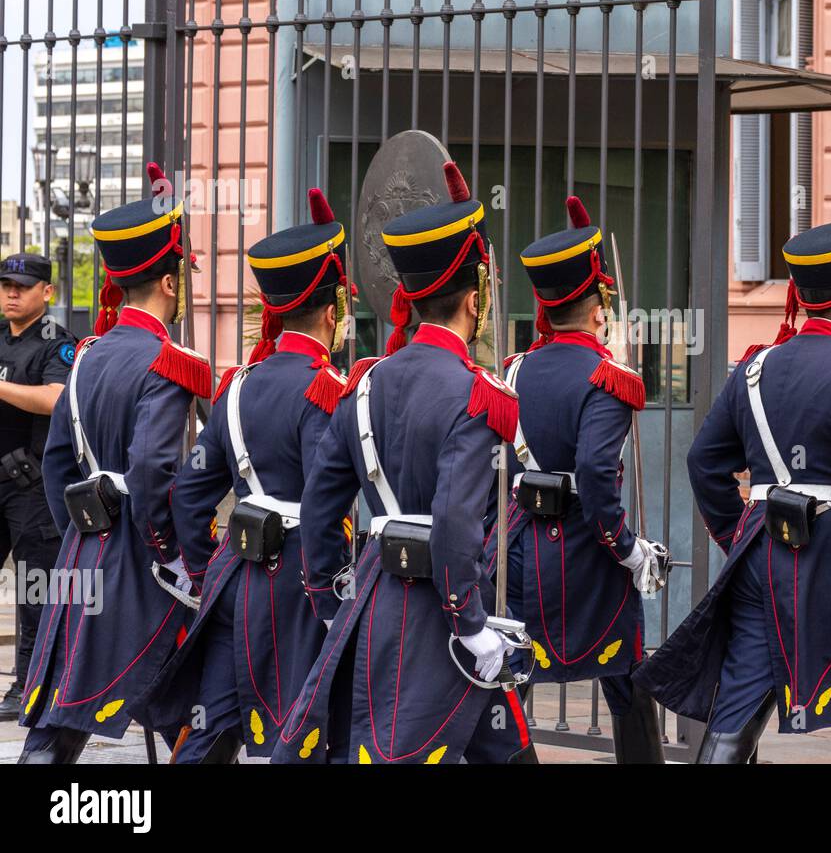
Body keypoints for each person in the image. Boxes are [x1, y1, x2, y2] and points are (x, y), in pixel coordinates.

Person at [633, 188, 831, 764]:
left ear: (803, 296)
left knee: (739, 702)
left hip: (763, 551)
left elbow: (703, 462)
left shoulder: (755, 368)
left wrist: (736, 529)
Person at [271, 160, 535, 765]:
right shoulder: (476, 394)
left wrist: (328, 596)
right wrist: (469, 623)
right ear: (477, 300)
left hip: (375, 597)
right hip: (442, 617)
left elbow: (320, 507)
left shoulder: (363, 384)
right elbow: (455, 524)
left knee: (504, 748)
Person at [144, 188, 351, 763]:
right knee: (301, 730)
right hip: (300, 586)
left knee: (215, 725)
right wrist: (330, 586)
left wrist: (205, 565)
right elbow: (324, 504)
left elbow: (188, 494)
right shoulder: (326, 390)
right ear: (332, 312)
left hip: (233, 579)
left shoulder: (236, 385)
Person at [17, 163, 209, 763]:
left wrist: (81, 527)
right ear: (171, 284)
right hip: (138, 558)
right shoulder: (168, 361)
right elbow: (154, 471)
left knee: (64, 713)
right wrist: (169, 553)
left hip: (85, 549)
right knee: (202, 698)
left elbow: (56, 466)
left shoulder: (89, 355)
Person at [500, 195, 668, 763]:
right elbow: (598, 479)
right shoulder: (608, 377)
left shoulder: (516, 370)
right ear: (599, 308)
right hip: (589, 559)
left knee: (515, 676)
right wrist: (628, 550)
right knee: (628, 676)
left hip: (525, 549)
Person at [0, 254, 74, 722]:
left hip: (29, 486)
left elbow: (56, 398)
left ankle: (27, 687)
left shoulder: (55, 343)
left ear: (47, 292)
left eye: (22, 286)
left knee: (33, 593)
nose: (12, 293)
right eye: (6, 284)